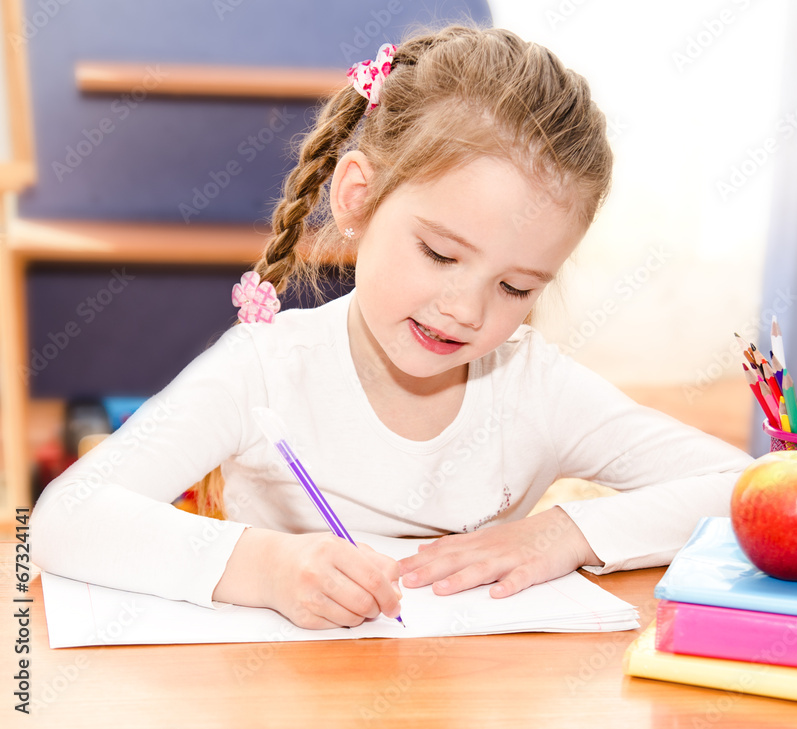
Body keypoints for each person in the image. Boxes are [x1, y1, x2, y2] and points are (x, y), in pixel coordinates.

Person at [31, 25, 752, 630]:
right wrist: (267, 565)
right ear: (358, 197)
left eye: (516, 287)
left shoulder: (535, 386)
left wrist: (564, 531)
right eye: (439, 253)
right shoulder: (263, 371)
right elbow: (66, 518)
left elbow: (746, 486)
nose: (467, 310)